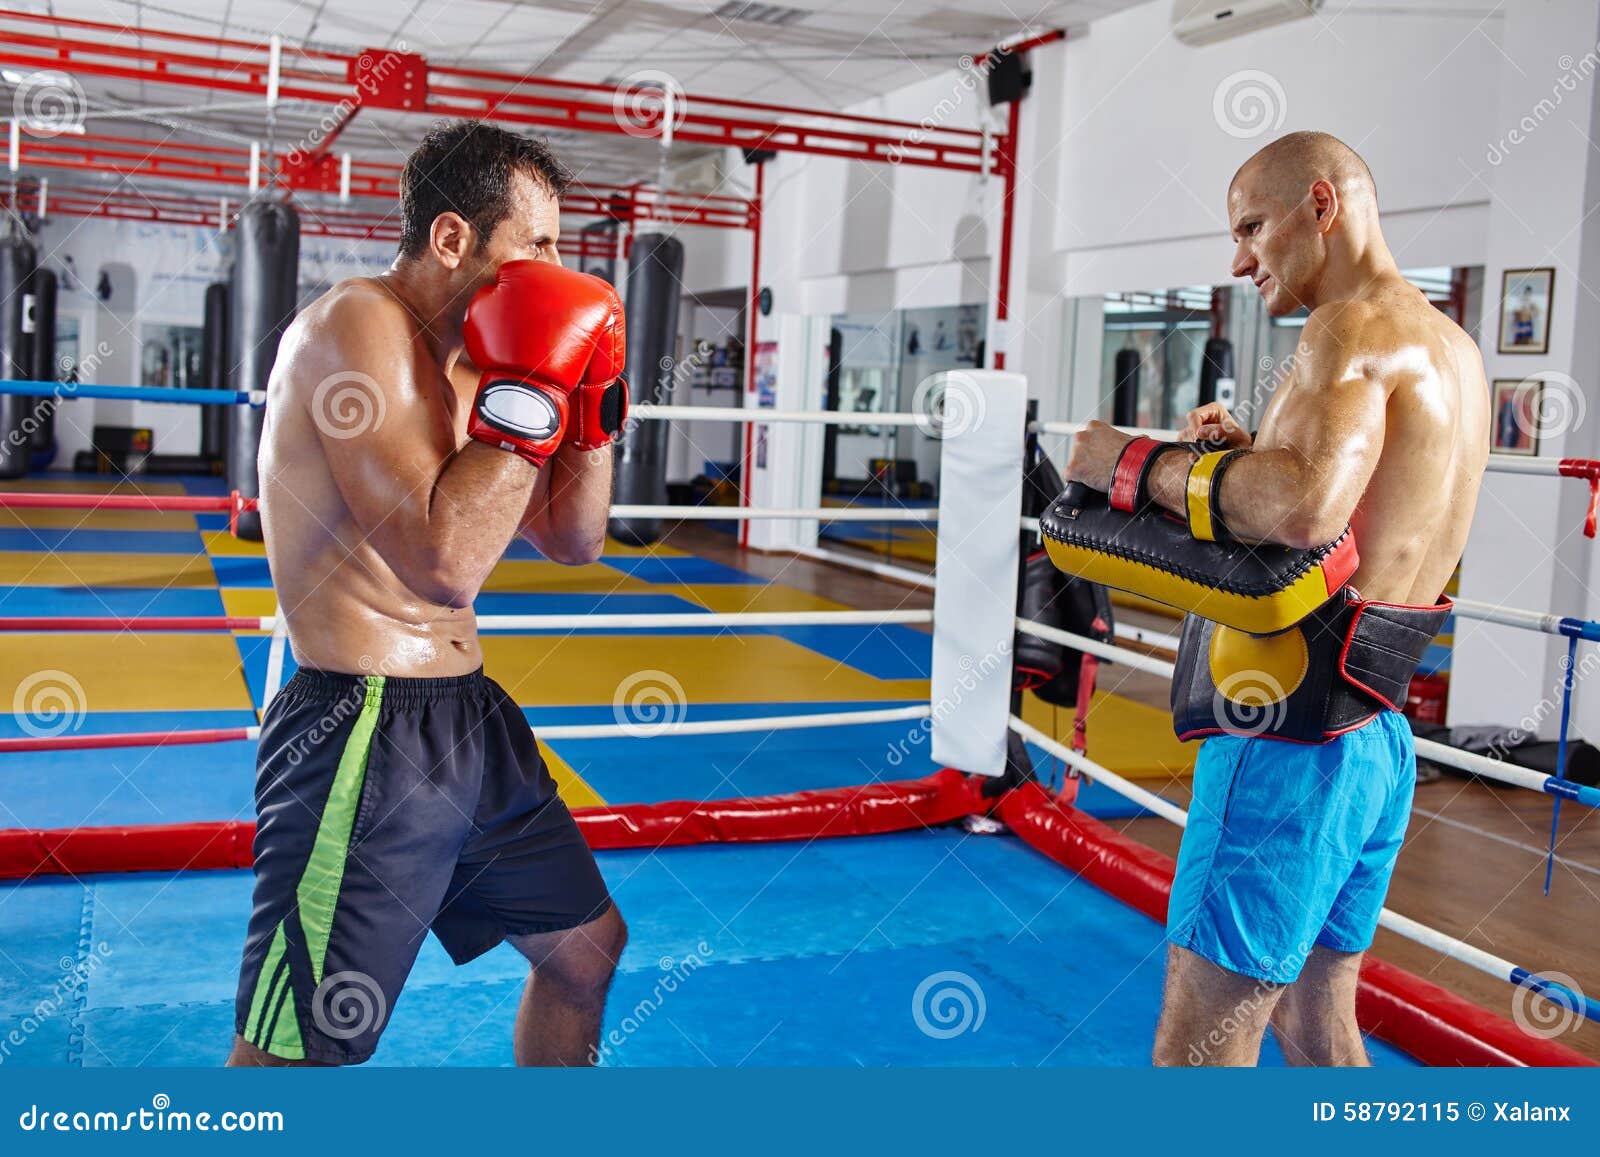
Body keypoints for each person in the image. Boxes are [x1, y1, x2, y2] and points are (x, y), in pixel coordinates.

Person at [1065, 131, 1489, 1066]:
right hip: (1374, 739)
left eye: (1253, 226)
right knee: (1316, 1024)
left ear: (1322, 205)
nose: (1240, 258)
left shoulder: (1346, 326)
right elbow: (1360, 514)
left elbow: (1302, 508)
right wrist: (1249, 452)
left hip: (1286, 738)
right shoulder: (1454, 349)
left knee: (1196, 1052)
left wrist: (1130, 463)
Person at [229, 120, 629, 1067]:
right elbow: (442, 560)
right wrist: (534, 388)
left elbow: (575, 541)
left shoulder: (478, 360)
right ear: (453, 237)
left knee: (584, 951)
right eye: (537, 244)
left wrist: (591, 404)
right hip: (361, 727)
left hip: (466, 716)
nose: (555, 269)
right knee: (302, 1043)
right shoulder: (353, 325)